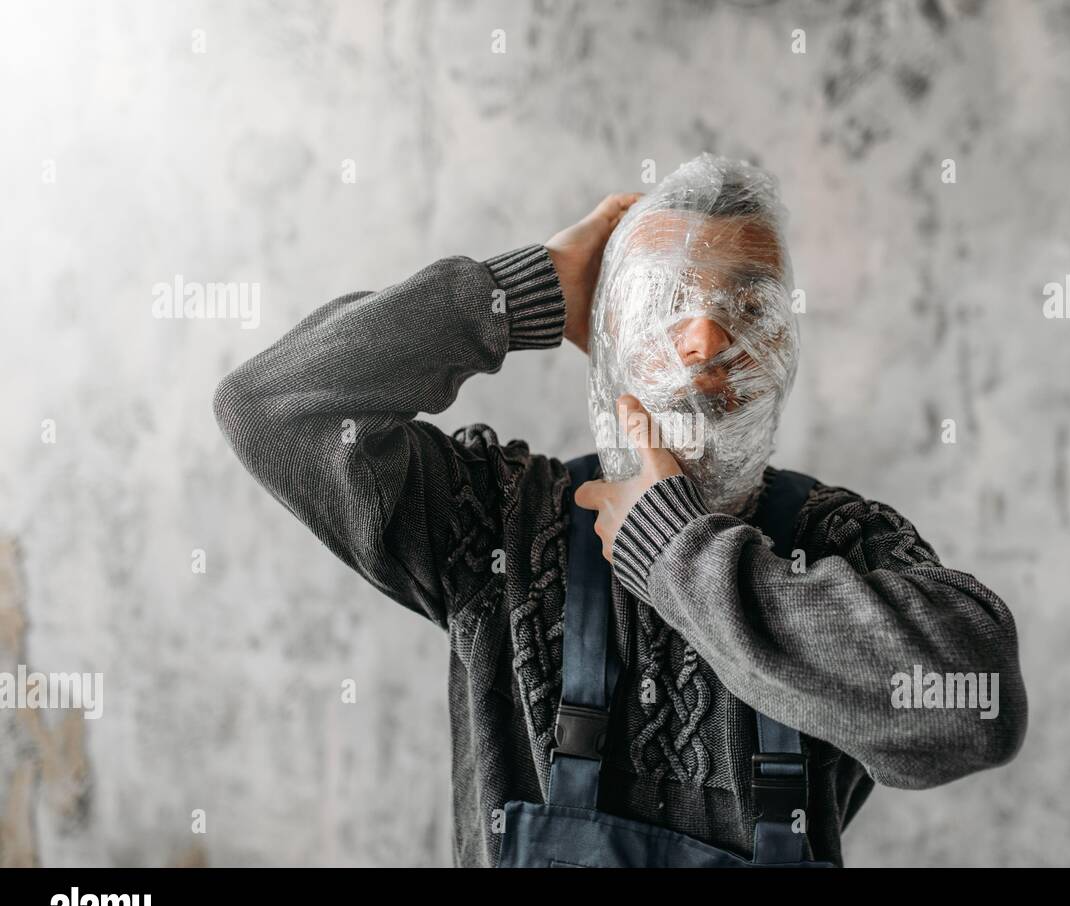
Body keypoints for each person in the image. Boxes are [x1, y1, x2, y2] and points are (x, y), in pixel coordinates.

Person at [213, 153, 1028, 868]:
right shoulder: (501, 525)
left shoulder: (834, 543)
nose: (705, 339)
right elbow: (271, 409)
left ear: (784, 341)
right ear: (611, 329)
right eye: (666, 301)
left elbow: (977, 706)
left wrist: (677, 550)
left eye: (748, 307)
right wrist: (517, 293)